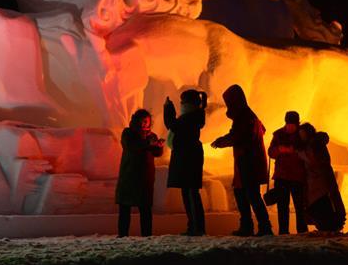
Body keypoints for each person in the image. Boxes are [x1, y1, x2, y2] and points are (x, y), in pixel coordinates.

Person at [211, 84, 273, 236]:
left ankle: (262, 227)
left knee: (250, 195)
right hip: (246, 162)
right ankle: (250, 226)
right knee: (244, 194)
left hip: (248, 163)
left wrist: (221, 141)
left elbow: (238, 136)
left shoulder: (244, 117)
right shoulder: (246, 116)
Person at [164, 90, 207, 236]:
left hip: (187, 157)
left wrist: (168, 109)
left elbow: (172, 125)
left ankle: (197, 227)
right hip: (189, 155)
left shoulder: (190, 117)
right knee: (189, 192)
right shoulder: (195, 116)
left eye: (182, 101)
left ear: (188, 103)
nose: (181, 104)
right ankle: (194, 226)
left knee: (191, 192)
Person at [115, 109, 165, 236]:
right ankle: (122, 235)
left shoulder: (151, 135)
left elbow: (157, 153)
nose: (145, 124)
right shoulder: (128, 133)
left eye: (147, 121)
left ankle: (147, 236)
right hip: (129, 174)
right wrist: (148, 143)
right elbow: (132, 146)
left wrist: (159, 146)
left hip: (145, 176)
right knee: (125, 208)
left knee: (145, 208)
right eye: (142, 121)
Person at [297, 122, 346, 232]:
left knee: (322, 207)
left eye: (303, 134)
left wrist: (300, 153)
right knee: (319, 207)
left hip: (320, 183)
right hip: (316, 184)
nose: (302, 137)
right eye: (301, 135)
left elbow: (314, 160)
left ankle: (330, 227)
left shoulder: (315, 145)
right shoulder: (313, 144)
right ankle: (328, 226)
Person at [268, 111, 307, 234]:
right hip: (282, 176)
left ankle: (302, 232)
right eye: (288, 124)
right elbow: (270, 152)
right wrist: (279, 149)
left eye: (293, 124)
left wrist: (295, 151)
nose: (290, 127)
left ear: (297, 124)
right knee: (282, 207)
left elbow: (307, 152)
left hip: (298, 177)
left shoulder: (302, 135)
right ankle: (283, 232)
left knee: (300, 207)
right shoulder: (278, 134)